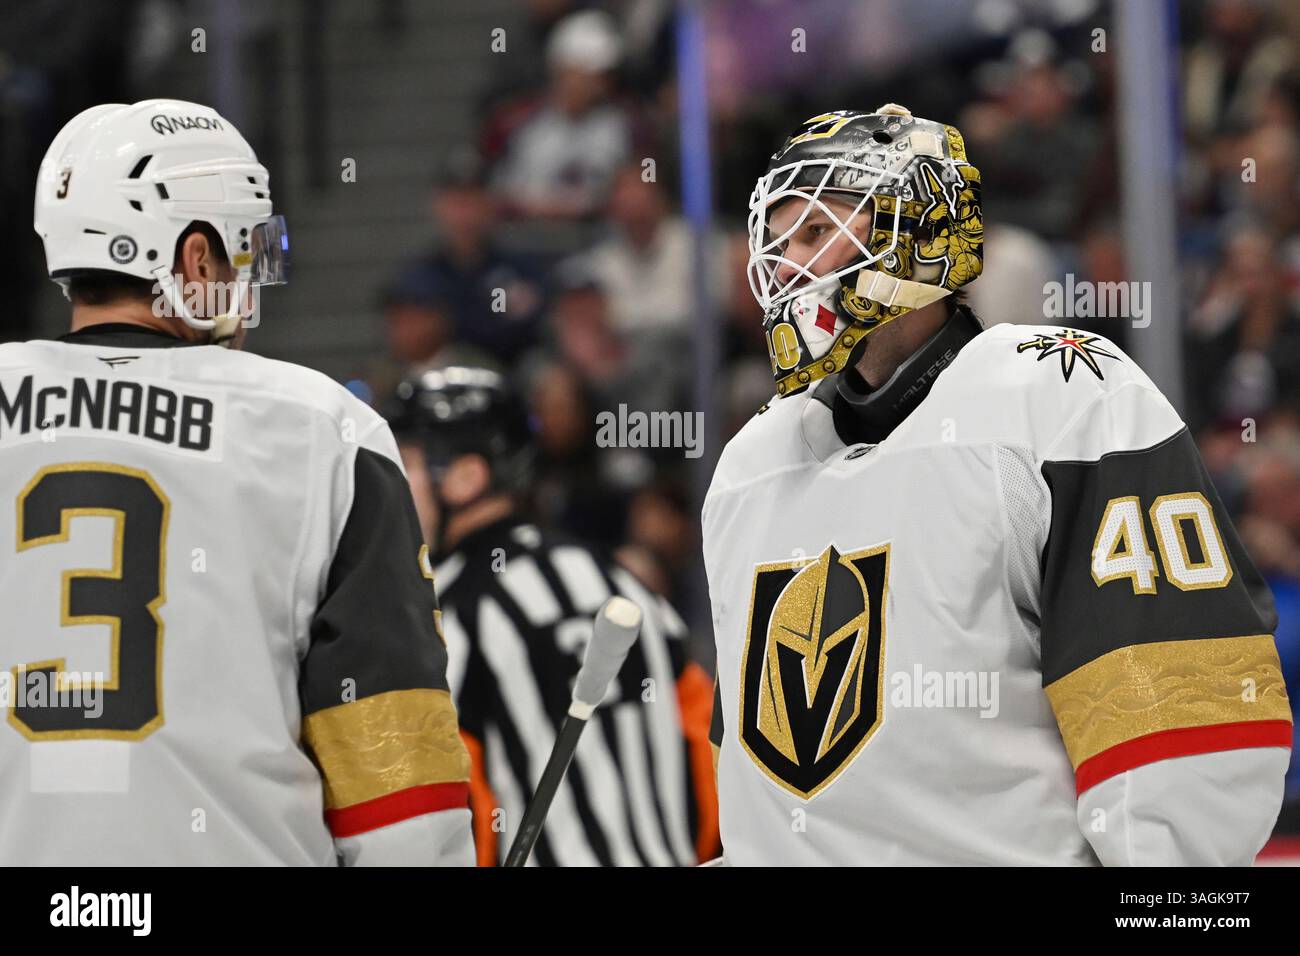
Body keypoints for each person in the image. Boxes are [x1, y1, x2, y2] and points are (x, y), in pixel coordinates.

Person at [703, 105, 1291, 865]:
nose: (786, 267)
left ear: (917, 232)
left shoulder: (1063, 392)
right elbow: (755, 778)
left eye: (816, 232)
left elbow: (1181, 711)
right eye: (778, 243)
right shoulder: (754, 461)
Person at [0, 99, 473, 866]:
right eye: (240, 250)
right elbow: (398, 790)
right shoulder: (322, 430)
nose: (249, 275)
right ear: (193, 261)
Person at [386, 366, 718, 866]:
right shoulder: (618, 580)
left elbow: (444, 820)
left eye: (404, 463)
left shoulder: (442, 619)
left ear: (464, 477)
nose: (391, 489)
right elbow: (710, 748)